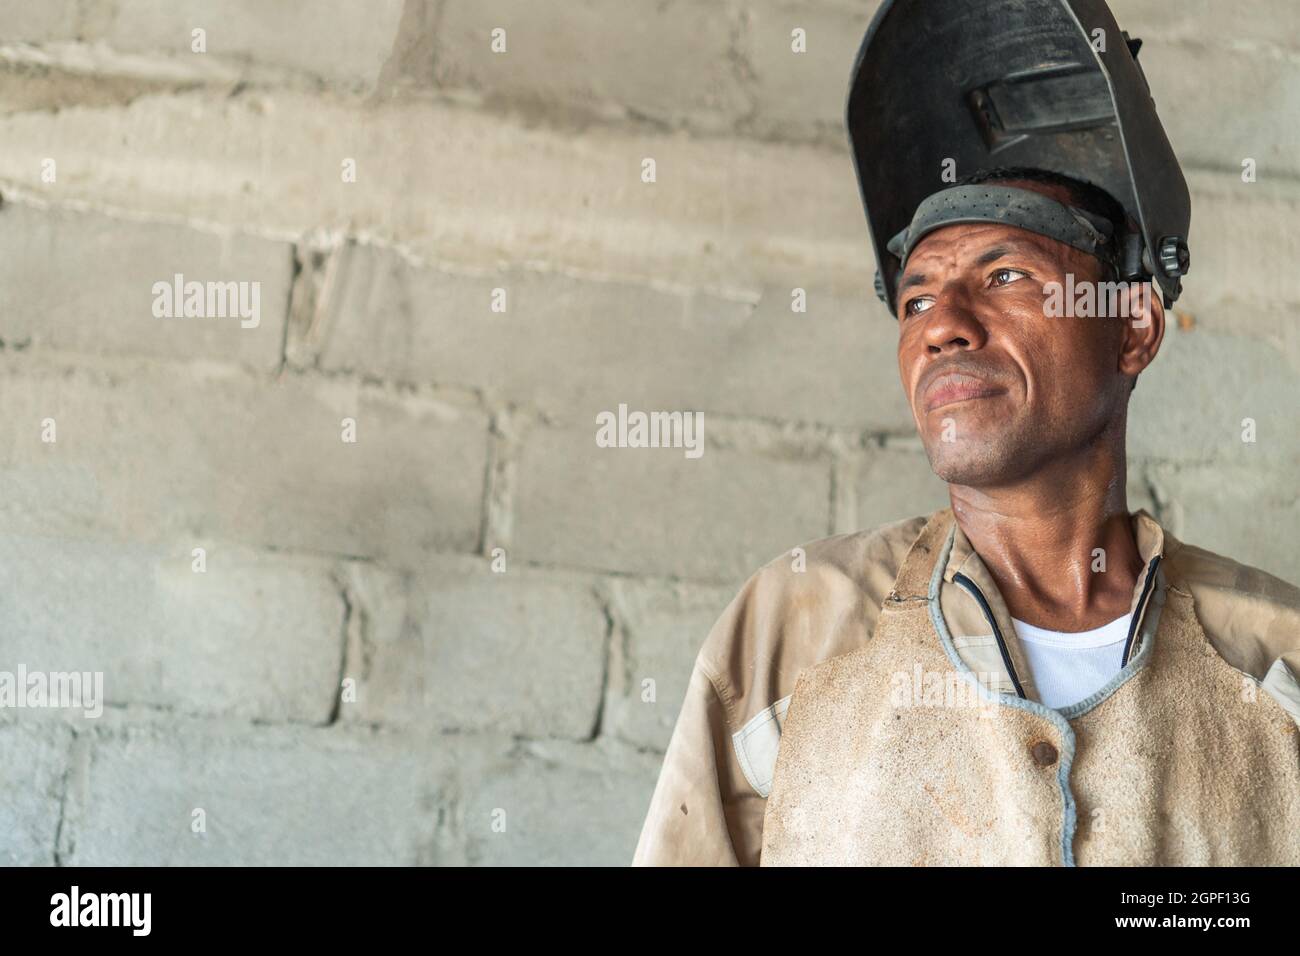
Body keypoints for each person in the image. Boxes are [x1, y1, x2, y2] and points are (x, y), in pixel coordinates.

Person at [631, 0, 1300, 866]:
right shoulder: (796, 631)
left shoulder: (1273, 658)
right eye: (916, 298)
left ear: (1132, 327)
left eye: (1007, 274)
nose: (941, 325)